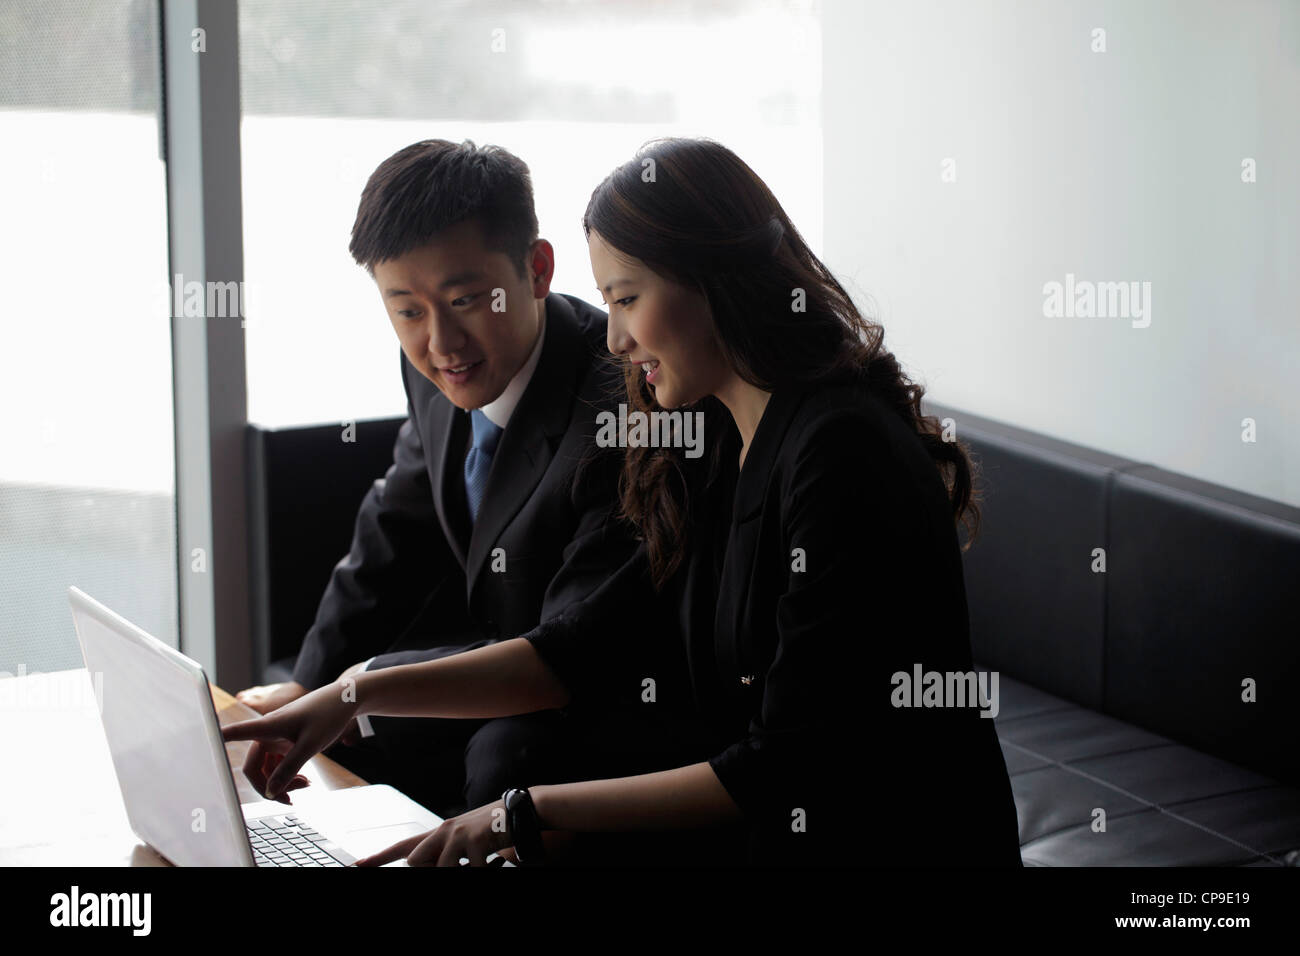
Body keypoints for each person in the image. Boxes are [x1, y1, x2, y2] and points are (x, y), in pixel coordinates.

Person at [224, 137, 1024, 867]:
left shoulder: (835, 450)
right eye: (606, 303)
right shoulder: (715, 431)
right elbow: (581, 650)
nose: (612, 341)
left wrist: (517, 814)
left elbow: (785, 764)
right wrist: (348, 691)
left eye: (626, 299)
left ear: (713, 283)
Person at [232, 139, 694, 819]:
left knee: (495, 753)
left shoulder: (626, 402)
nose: (441, 343)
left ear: (536, 270)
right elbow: (391, 534)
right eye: (408, 311)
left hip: (616, 691)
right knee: (324, 729)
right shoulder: (438, 374)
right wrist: (309, 682)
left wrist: (358, 688)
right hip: (506, 662)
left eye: (466, 299)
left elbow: (576, 649)